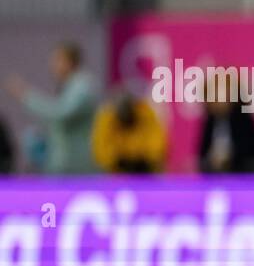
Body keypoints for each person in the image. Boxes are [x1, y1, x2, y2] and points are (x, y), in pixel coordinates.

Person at [3, 41, 97, 174]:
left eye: (58, 60)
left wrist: (25, 95)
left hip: (77, 167)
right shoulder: (71, 85)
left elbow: (60, 113)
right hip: (63, 164)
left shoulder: (83, 86)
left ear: (69, 62)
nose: (53, 65)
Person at [91, 92, 167, 173]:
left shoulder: (146, 115)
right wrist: (116, 160)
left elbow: (157, 146)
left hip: (145, 173)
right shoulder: (106, 119)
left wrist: (145, 158)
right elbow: (101, 151)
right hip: (116, 175)